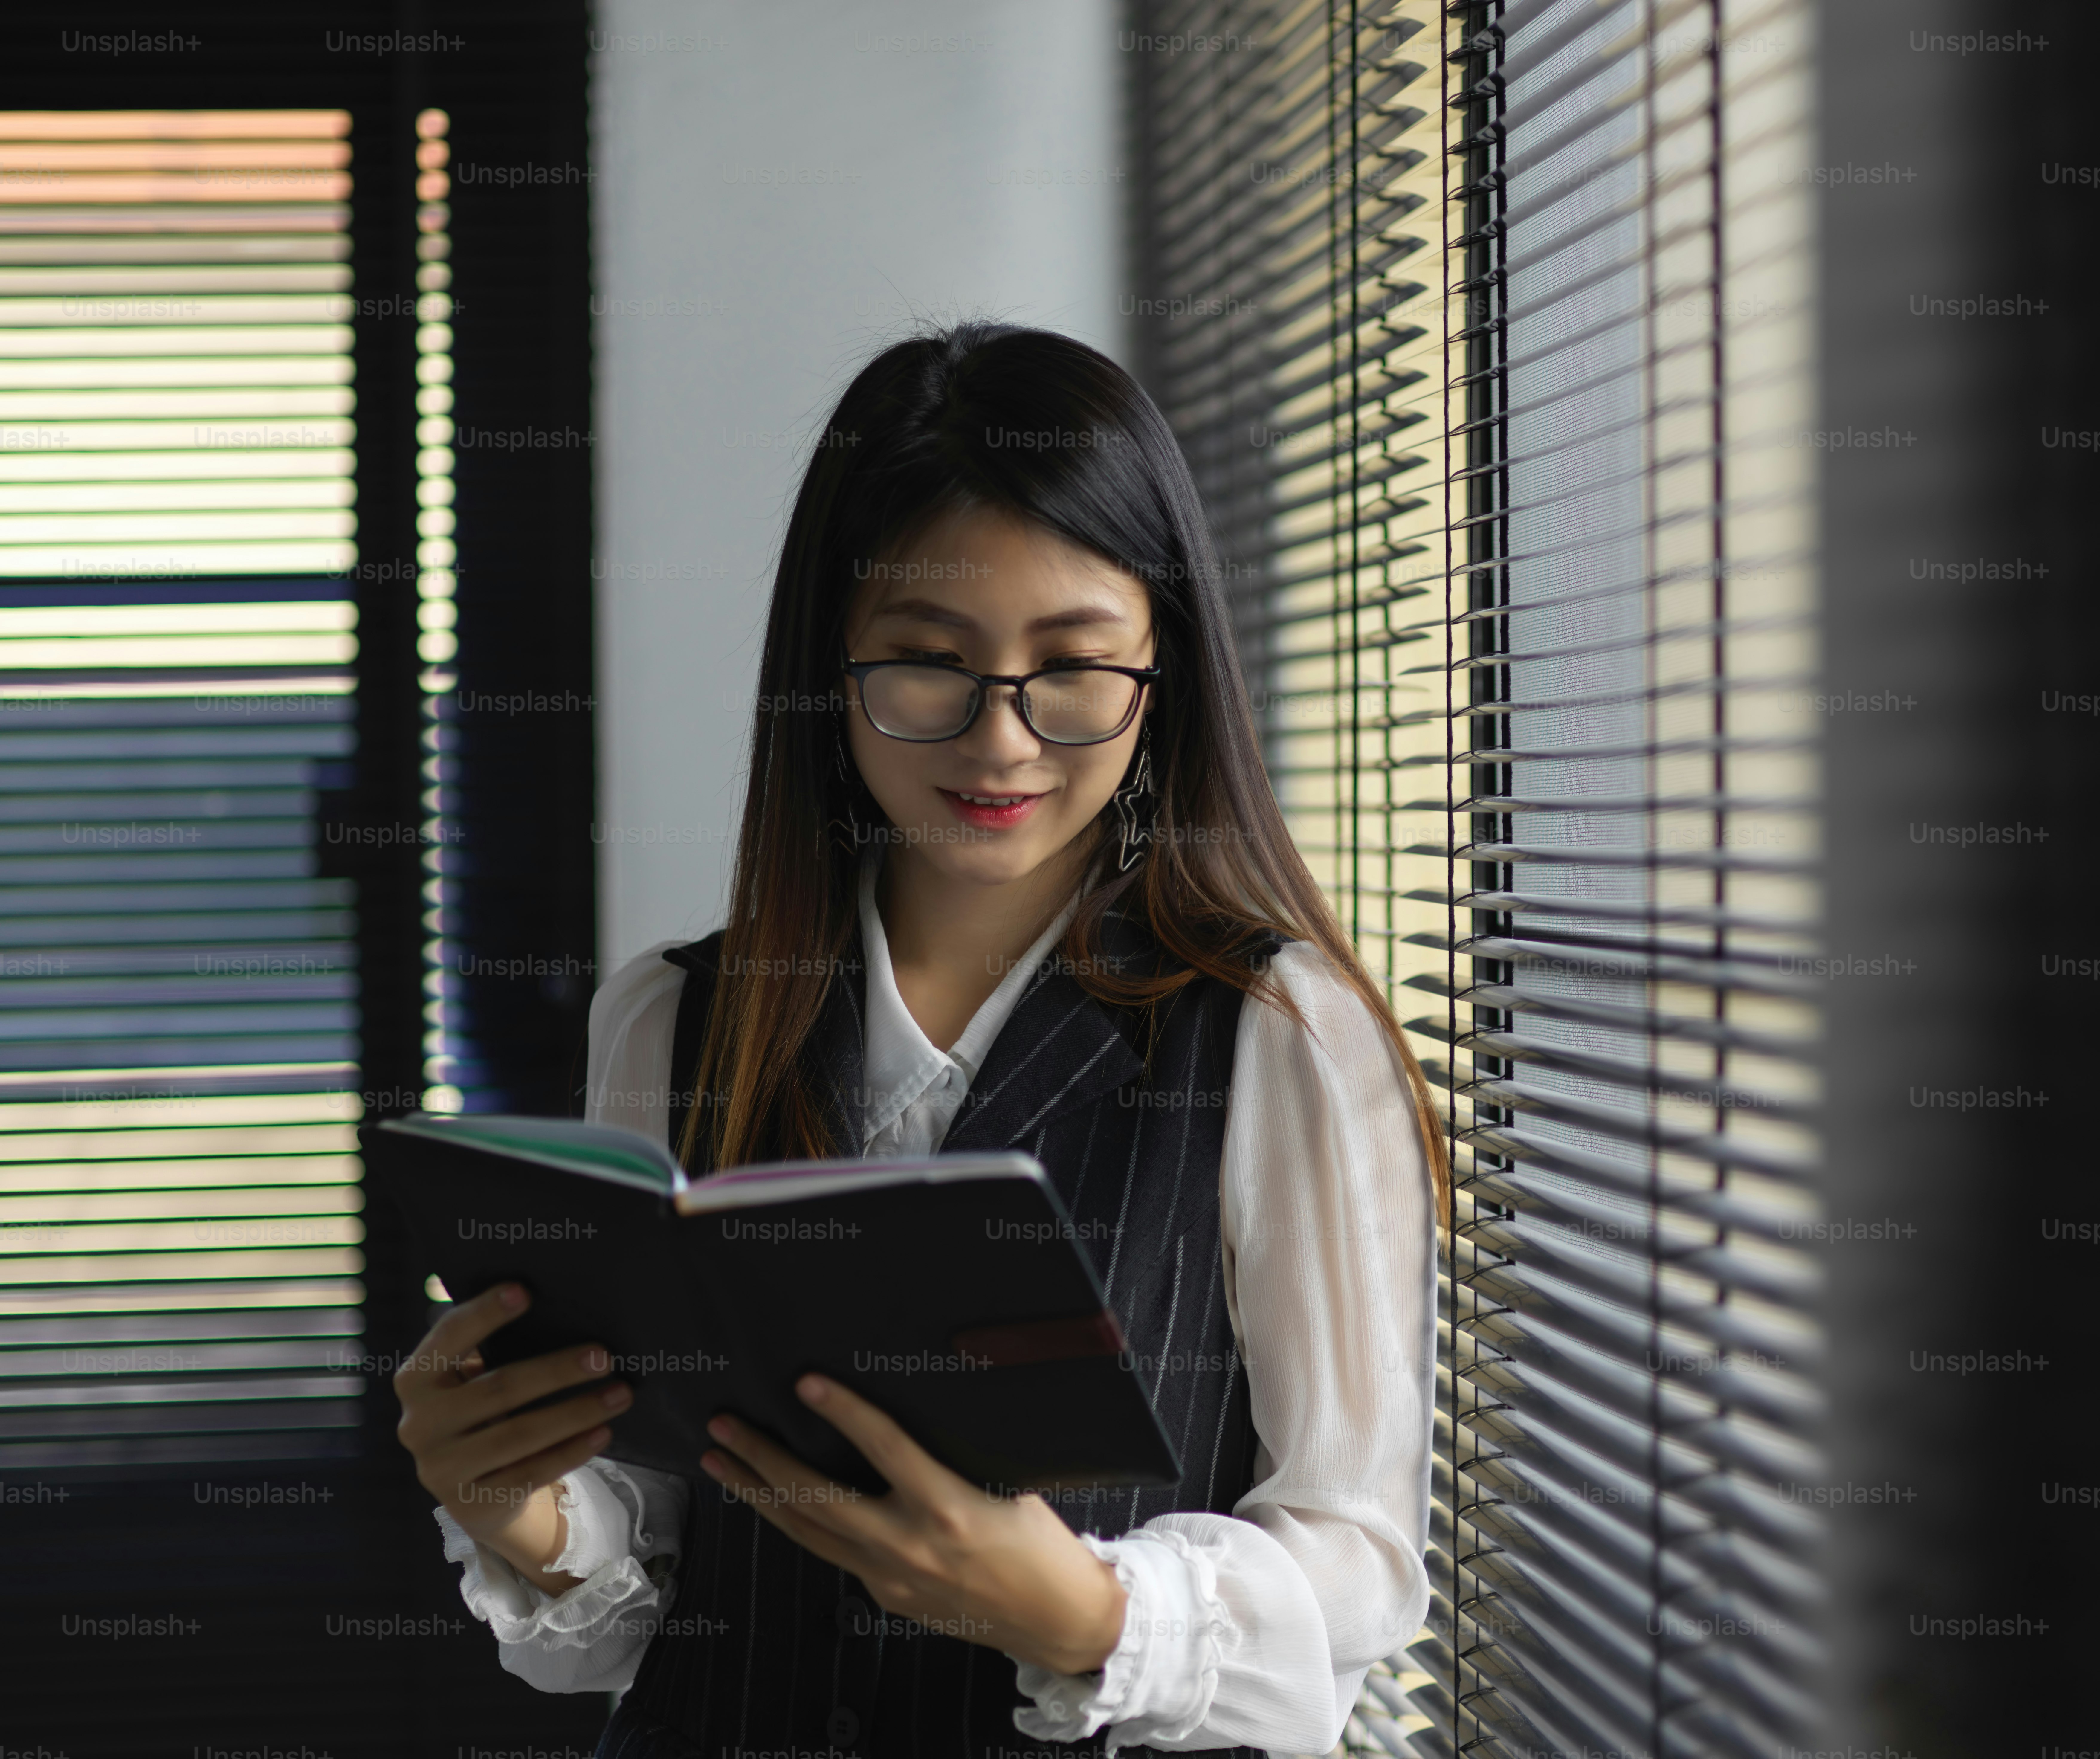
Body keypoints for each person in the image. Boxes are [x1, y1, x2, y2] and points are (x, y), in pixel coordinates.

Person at [392, 323, 1442, 1758]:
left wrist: (1086, 1612)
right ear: (831, 671)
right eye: (925, 663)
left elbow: (1360, 1561)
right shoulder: (672, 1014)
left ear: (1168, 670)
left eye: (1074, 666)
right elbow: (651, 1568)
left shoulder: (1279, 1033)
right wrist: (513, 1501)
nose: (1000, 740)